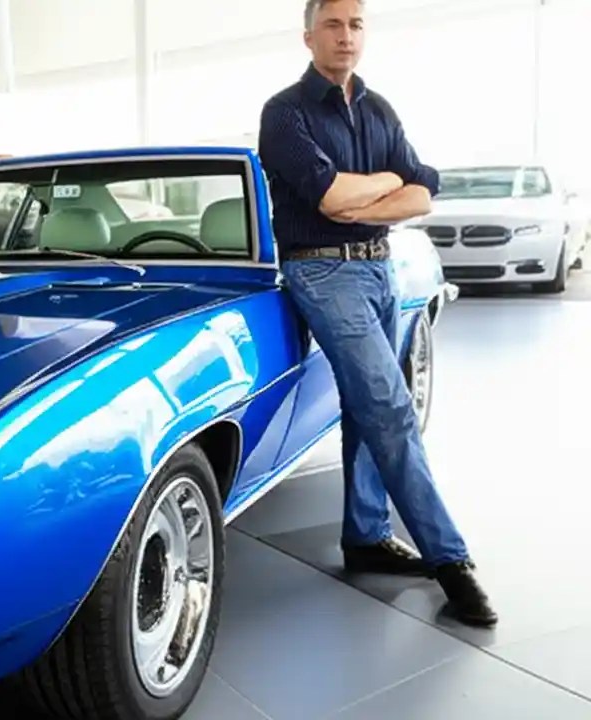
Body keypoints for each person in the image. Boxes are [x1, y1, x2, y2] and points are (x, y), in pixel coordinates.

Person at [257, 0, 497, 627]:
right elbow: (330, 198)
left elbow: (422, 192)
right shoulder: (284, 114)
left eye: (356, 24)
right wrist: (386, 182)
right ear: (309, 36)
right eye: (333, 24)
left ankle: (366, 535)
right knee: (391, 406)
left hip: (378, 267)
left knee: (367, 410)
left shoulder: (379, 109)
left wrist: (367, 194)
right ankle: (450, 559)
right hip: (320, 271)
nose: (346, 35)